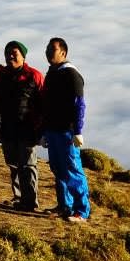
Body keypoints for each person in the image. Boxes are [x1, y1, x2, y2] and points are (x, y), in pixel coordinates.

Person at [0, 40, 45, 211]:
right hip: (7, 128)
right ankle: (19, 197)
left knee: (28, 164)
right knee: (13, 163)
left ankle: (30, 201)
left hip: (28, 128)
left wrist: (41, 128)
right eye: (7, 53)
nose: (10, 56)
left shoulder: (34, 75)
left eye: (14, 53)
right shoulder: (1, 78)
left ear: (23, 56)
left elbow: (44, 103)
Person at [41, 37, 89, 222]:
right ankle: (64, 206)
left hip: (67, 132)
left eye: (52, 49)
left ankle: (81, 211)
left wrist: (78, 131)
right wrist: (44, 131)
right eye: (47, 48)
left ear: (63, 52)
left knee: (72, 169)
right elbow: (47, 105)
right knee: (58, 169)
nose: (48, 52)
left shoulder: (71, 74)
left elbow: (79, 104)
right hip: (53, 130)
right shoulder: (52, 74)